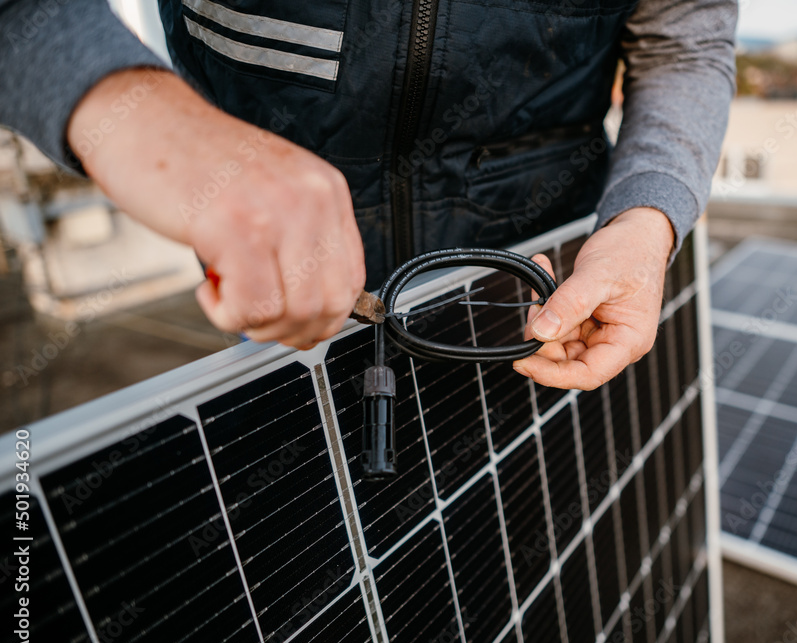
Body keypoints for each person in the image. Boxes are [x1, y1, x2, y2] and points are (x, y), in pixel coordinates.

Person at [0, 0, 735, 390]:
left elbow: (685, 37)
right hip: (286, 294)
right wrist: (138, 115)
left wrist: (647, 217)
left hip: (545, 299)